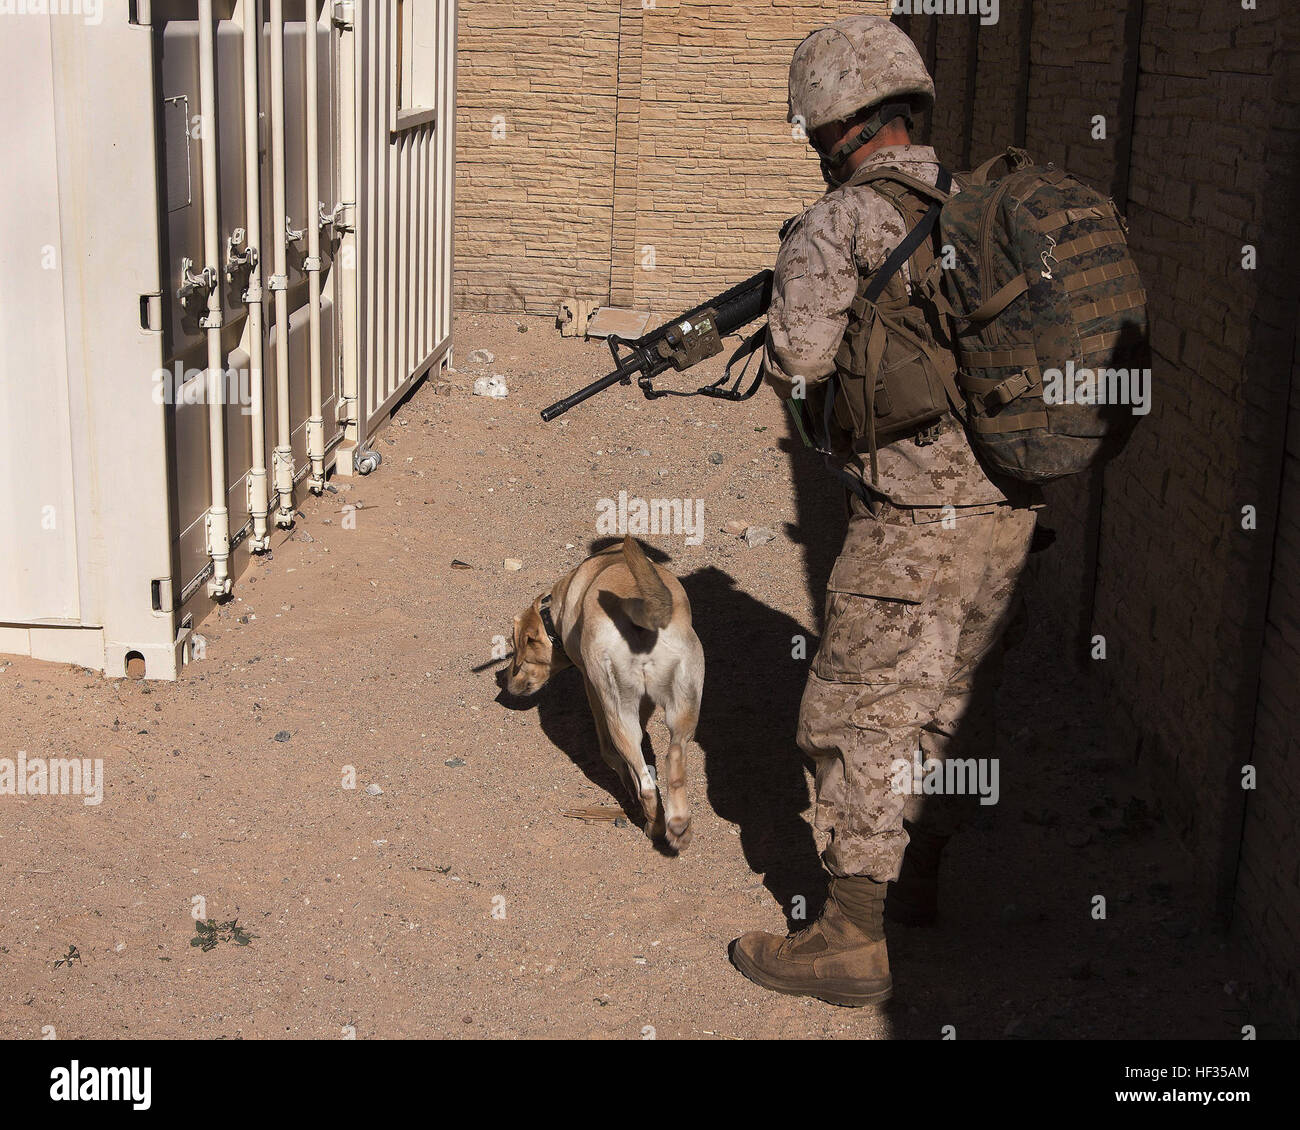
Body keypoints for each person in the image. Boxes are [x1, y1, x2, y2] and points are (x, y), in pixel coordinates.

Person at [729, 13, 1039, 1007]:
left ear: (828, 125)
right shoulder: (986, 203)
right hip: (1009, 518)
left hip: (909, 525)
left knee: (859, 715)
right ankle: (919, 886)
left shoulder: (839, 222)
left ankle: (849, 939)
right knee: (947, 707)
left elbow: (802, 362)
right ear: (910, 104)